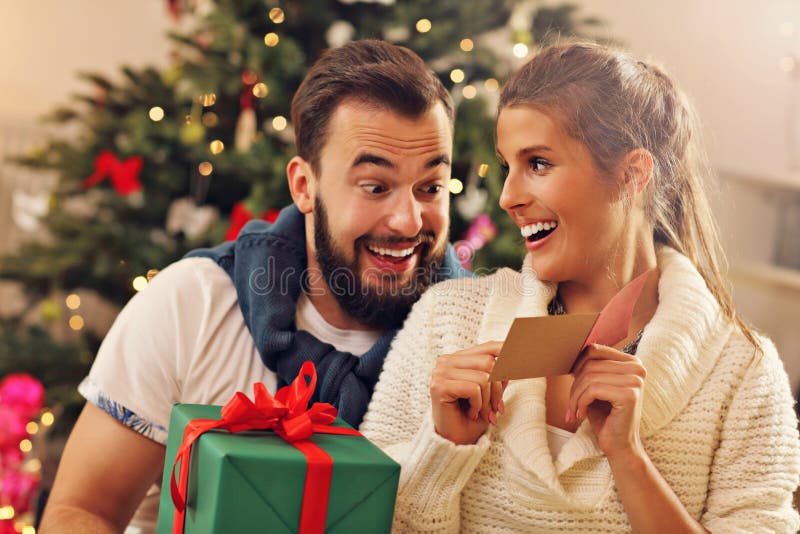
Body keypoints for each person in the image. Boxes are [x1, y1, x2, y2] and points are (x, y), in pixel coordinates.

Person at [361, 41, 800, 532]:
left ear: (632, 175)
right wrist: (443, 448)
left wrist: (629, 459)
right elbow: (358, 518)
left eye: (539, 164)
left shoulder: (744, 376)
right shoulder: (445, 321)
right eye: (508, 166)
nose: (508, 197)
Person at [40, 39, 469, 533]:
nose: (408, 220)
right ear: (304, 186)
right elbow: (80, 513)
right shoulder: (192, 304)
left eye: (430, 187)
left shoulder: (474, 336)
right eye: (375, 186)